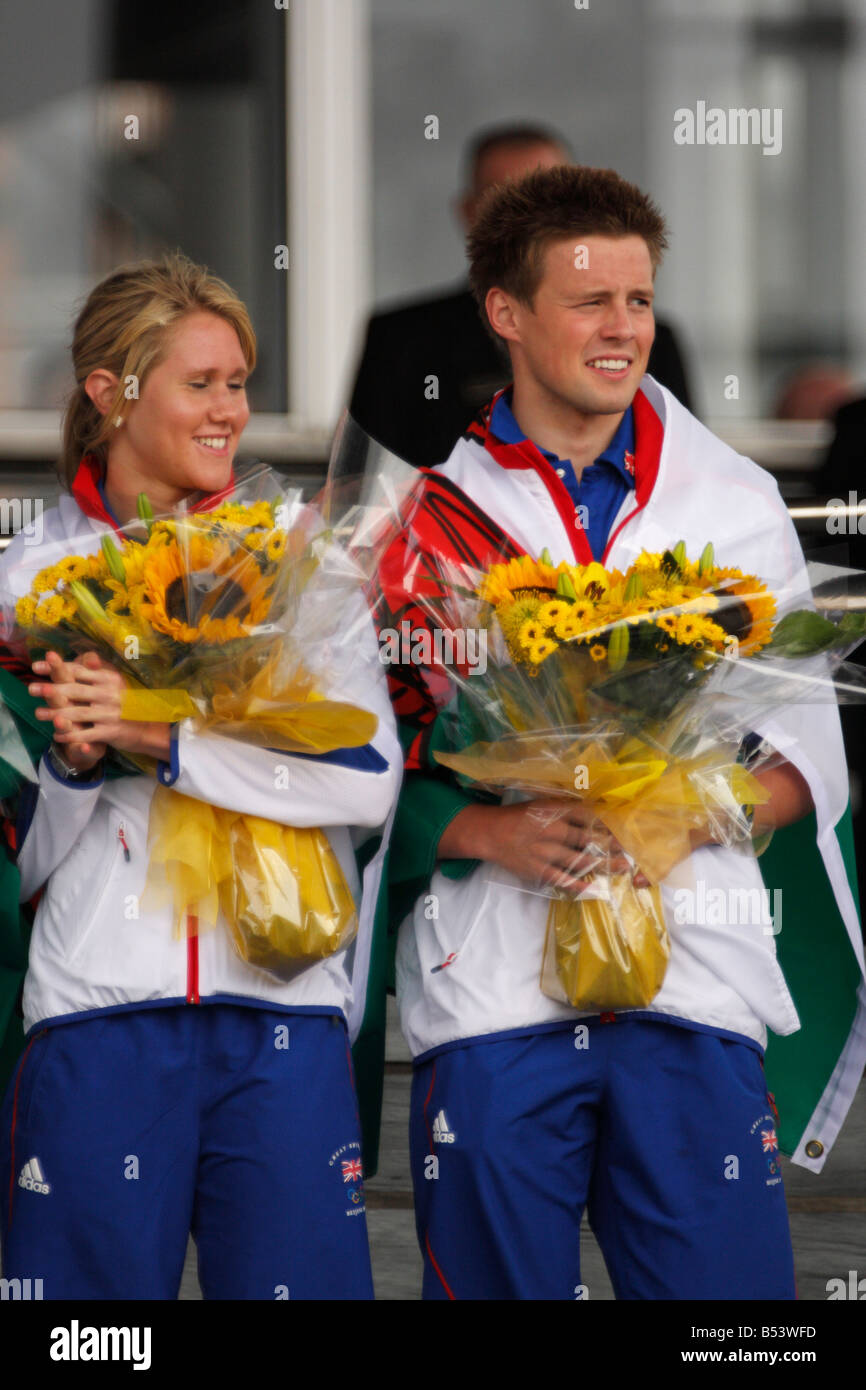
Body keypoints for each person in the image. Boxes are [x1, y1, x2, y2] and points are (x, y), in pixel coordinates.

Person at [380, 165, 865, 1300]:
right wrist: (486, 836)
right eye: (588, 300)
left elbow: (806, 755)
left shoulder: (732, 498)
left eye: (638, 300)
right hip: (493, 988)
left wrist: (683, 816)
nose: (621, 328)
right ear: (505, 312)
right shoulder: (424, 519)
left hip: (691, 979)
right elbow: (368, 759)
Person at [0, 254, 400, 1300]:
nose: (230, 410)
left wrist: (160, 738)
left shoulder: (300, 557)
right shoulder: (25, 581)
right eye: (201, 382)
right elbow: (22, 867)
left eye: (239, 381)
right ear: (108, 392)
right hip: (97, 1010)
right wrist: (75, 767)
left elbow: (365, 784)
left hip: (285, 1007)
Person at [350, 124, 694, 468]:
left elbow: (684, 478)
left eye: (639, 301)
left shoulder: (649, 341)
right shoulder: (401, 340)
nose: (531, 221)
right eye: (506, 204)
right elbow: (363, 497)